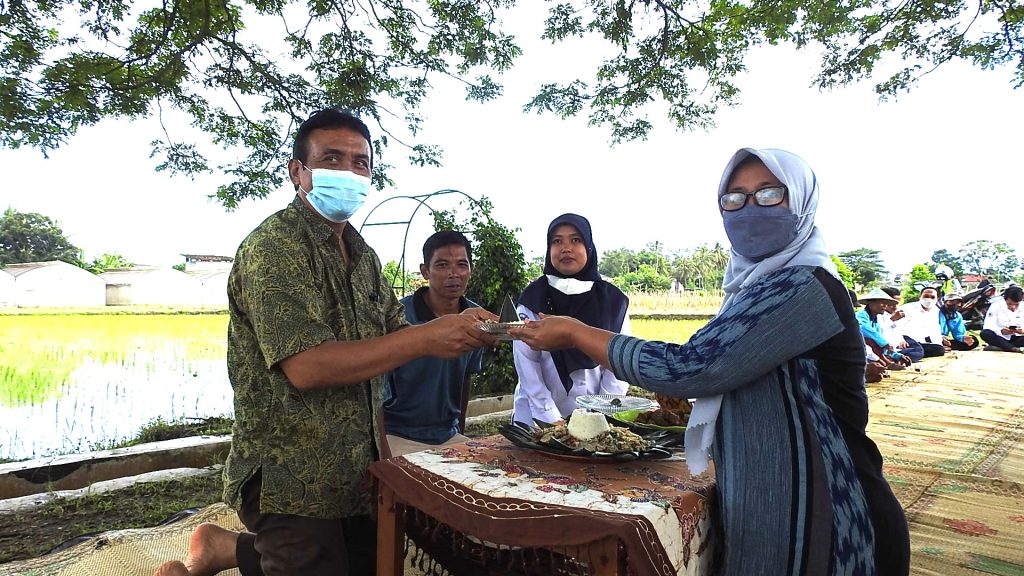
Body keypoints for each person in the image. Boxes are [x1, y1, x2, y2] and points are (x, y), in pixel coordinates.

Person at [511, 148, 909, 575]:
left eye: (770, 194)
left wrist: (574, 333)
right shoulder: (753, 290)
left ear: (802, 201)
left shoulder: (803, 287)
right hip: (770, 505)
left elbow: (693, 366)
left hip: (831, 518)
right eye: (734, 199)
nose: (750, 208)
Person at [152, 109, 497, 576]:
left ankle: (223, 547)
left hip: (357, 466)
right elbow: (308, 366)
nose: (348, 172)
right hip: (287, 471)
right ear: (299, 172)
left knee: (374, 560)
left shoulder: (364, 256)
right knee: (319, 562)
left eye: (360, 162)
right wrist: (427, 338)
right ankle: (241, 546)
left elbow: (395, 339)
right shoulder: (274, 248)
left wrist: (483, 331)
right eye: (332, 159)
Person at [511, 213, 631, 425]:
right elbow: (527, 363)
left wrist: (600, 413)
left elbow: (619, 361)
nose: (566, 248)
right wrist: (550, 418)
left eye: (576, 240)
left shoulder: (613, 301)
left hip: (598, 417)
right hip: (536, 418)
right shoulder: (533, 298)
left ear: (589, 247)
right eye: (557, 241)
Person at [383, 230, 486, 457]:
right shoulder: (398, 316)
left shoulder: (476, 318)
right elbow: (375, 387)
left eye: (461, 264)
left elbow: (466, 378)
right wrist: (381, 448)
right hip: (397, 435)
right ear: (425, 271)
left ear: (471, 269)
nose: (453, 274)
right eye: (442, 265)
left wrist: (459, 427)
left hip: (448, 435)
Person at [857, 288, 914, 368]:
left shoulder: (875, 321)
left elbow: (881, 343)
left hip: (870, 352)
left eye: (886, 304)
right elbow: (864, 328)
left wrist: (897, 355)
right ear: (870, 302)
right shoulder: (861, 315)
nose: (885, 306)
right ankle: (886, 362)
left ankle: (887, 361)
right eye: (882, 303)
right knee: (871, 341)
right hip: (855, 349)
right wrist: (885, 343)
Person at [899, 287, 945, 358]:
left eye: (932, 297)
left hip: (922, 342)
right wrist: (900, 340)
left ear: (937, 299)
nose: (929, 299)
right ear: (920, 297)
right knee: (938, 349)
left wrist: (939, 343)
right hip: (906, 340)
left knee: (939, 349)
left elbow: (935, 330)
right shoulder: (907, 308)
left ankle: (913, 352)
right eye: (926, 296)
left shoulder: (936, 311)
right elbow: (897, 326)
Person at [980, 285, 1024, 352]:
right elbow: (988, 325)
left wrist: (1022, 331)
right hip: (1000, 337)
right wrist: (1001, 331)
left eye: (1016, 304)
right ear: (1005, 299)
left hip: (1018, 337)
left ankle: (1003, 347)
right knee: (985, 333)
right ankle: (1013, 348)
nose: (1013, 307)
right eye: (1009, 304)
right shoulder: (996, 306)